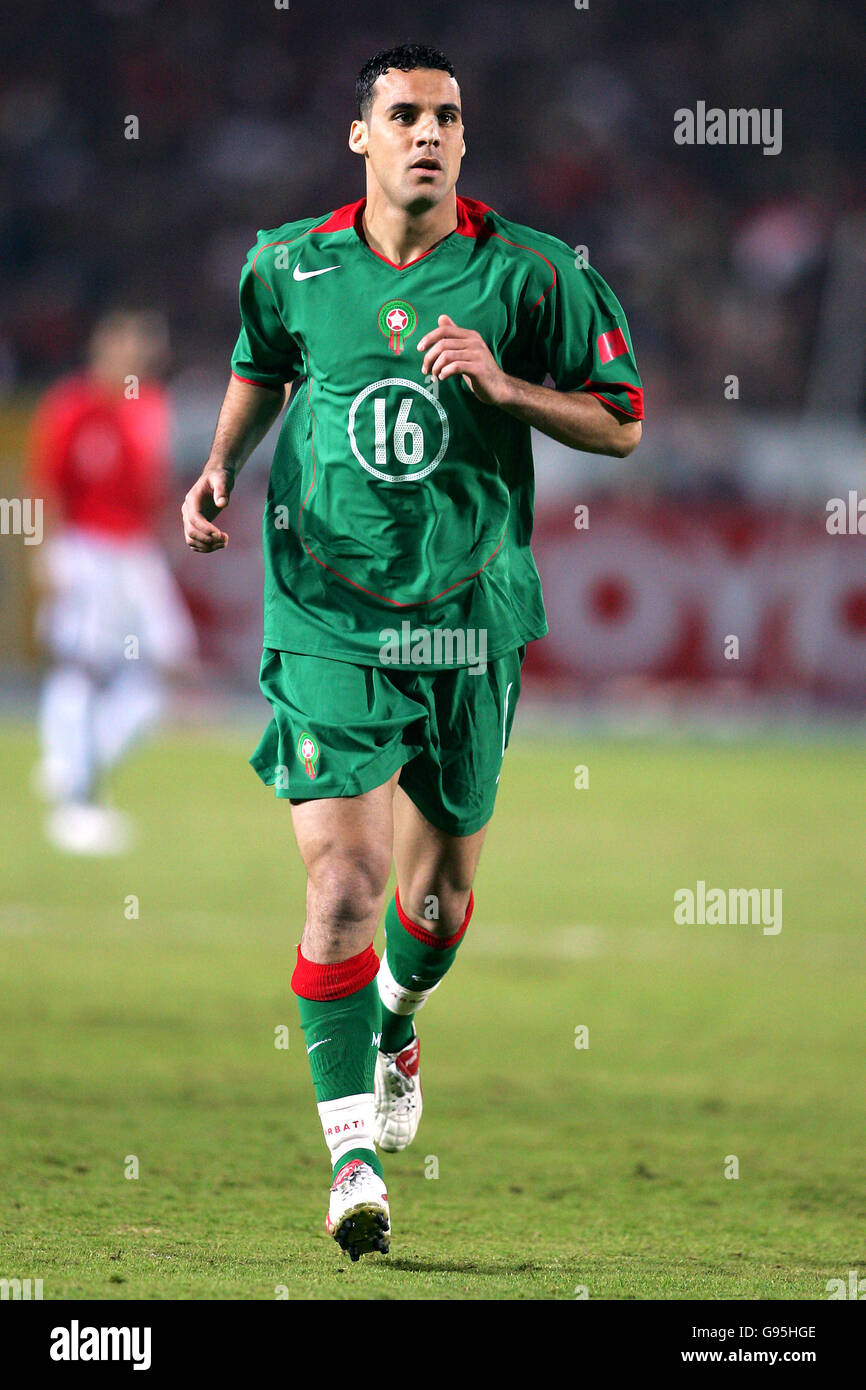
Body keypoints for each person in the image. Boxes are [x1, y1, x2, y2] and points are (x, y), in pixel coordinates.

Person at [182, 43, 643, 1260]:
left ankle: (396, 1016)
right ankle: (350, 1163)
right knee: (340, 882)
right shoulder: (289, 261)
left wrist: (504, 387)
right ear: (362, 136)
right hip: (327, 611)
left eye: (445, 116)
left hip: (468, 616)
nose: (427, 133)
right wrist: (224, 461)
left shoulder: (535, 274)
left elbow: (622, 423)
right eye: (404, 114)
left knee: (433, 903)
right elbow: (261, 365)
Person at [30, 310, 195, 854]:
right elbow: (44, 487)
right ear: (105, 347)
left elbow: (152, 485)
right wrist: (45, 555)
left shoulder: (149, 405)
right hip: (86, 549)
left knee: (171, 662)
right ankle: (77, 803)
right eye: (132, 345)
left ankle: (75, 761)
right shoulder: (72, 406)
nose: (141, 356)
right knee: (85, 666)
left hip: (134, 550)